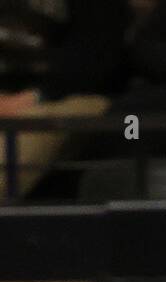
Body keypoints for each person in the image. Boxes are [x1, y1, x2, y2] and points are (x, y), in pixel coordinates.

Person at [0, 0, 126, 197]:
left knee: (19, 140)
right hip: (11, 98)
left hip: (65, 99)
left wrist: (37, 96)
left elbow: (96, 56)